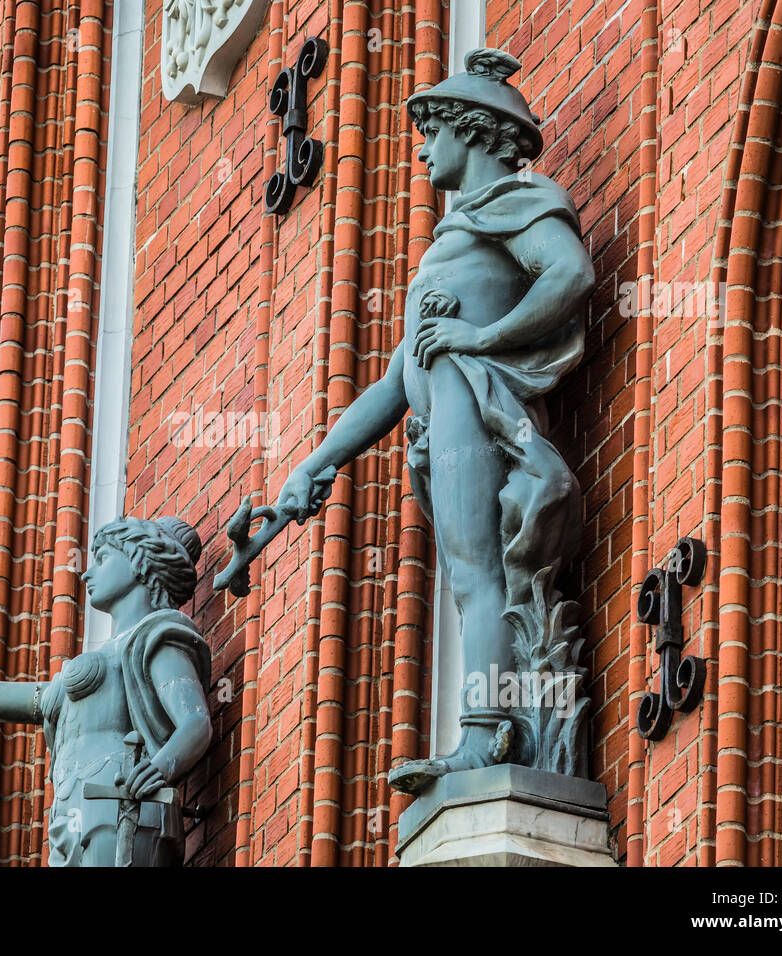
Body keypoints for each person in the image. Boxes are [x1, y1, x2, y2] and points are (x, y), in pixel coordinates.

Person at [273, 49, 595, 793]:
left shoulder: (516, 200)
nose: (419, 146)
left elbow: (571, 273)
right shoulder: (455, 235)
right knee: (469, 578)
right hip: (438, 411)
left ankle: (487, 737)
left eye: (430, 129)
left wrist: (480, 339)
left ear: (475, 133)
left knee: (479, 576)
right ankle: (487, 729)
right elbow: (392, 382)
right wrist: (317, 462)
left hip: (470, 402)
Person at [0, 382, 212, 865]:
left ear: (139, 563)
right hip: (72, 820)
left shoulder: (153, 638)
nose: (87, 570)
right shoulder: (61, 691)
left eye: (103, 557)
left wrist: (158, 770)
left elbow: (196, 722)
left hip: (122, 812)